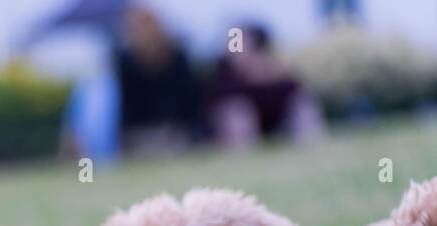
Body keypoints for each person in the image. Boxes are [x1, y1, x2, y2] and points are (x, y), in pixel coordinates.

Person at [205, 24, 325, 148]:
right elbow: (219, 107)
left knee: (302, 104)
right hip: (240, 125)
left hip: (278, 121)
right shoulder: (227, 75)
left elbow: (297, 90)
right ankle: (243, 151)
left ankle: (312, 145)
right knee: (237, 111)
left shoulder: (277, 70)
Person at [114, 5, 201, 155]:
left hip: (175, 132)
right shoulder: (125, 63)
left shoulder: (177, 58)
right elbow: (127, 108)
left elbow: (188, 102)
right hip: (140, 135)